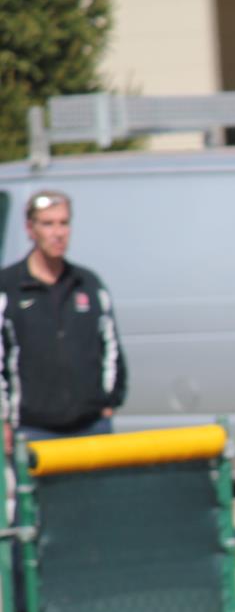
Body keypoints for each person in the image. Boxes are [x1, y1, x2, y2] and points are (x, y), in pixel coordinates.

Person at [0, 190, 128, 452]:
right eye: (47, 223)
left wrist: (107, 404)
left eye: (63, 223)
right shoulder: (8, 287)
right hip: (32, 431)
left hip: (91, 428)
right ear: (30, 229)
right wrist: (4, 421)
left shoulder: (88, 284)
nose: (57, 233)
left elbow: (112, 350)